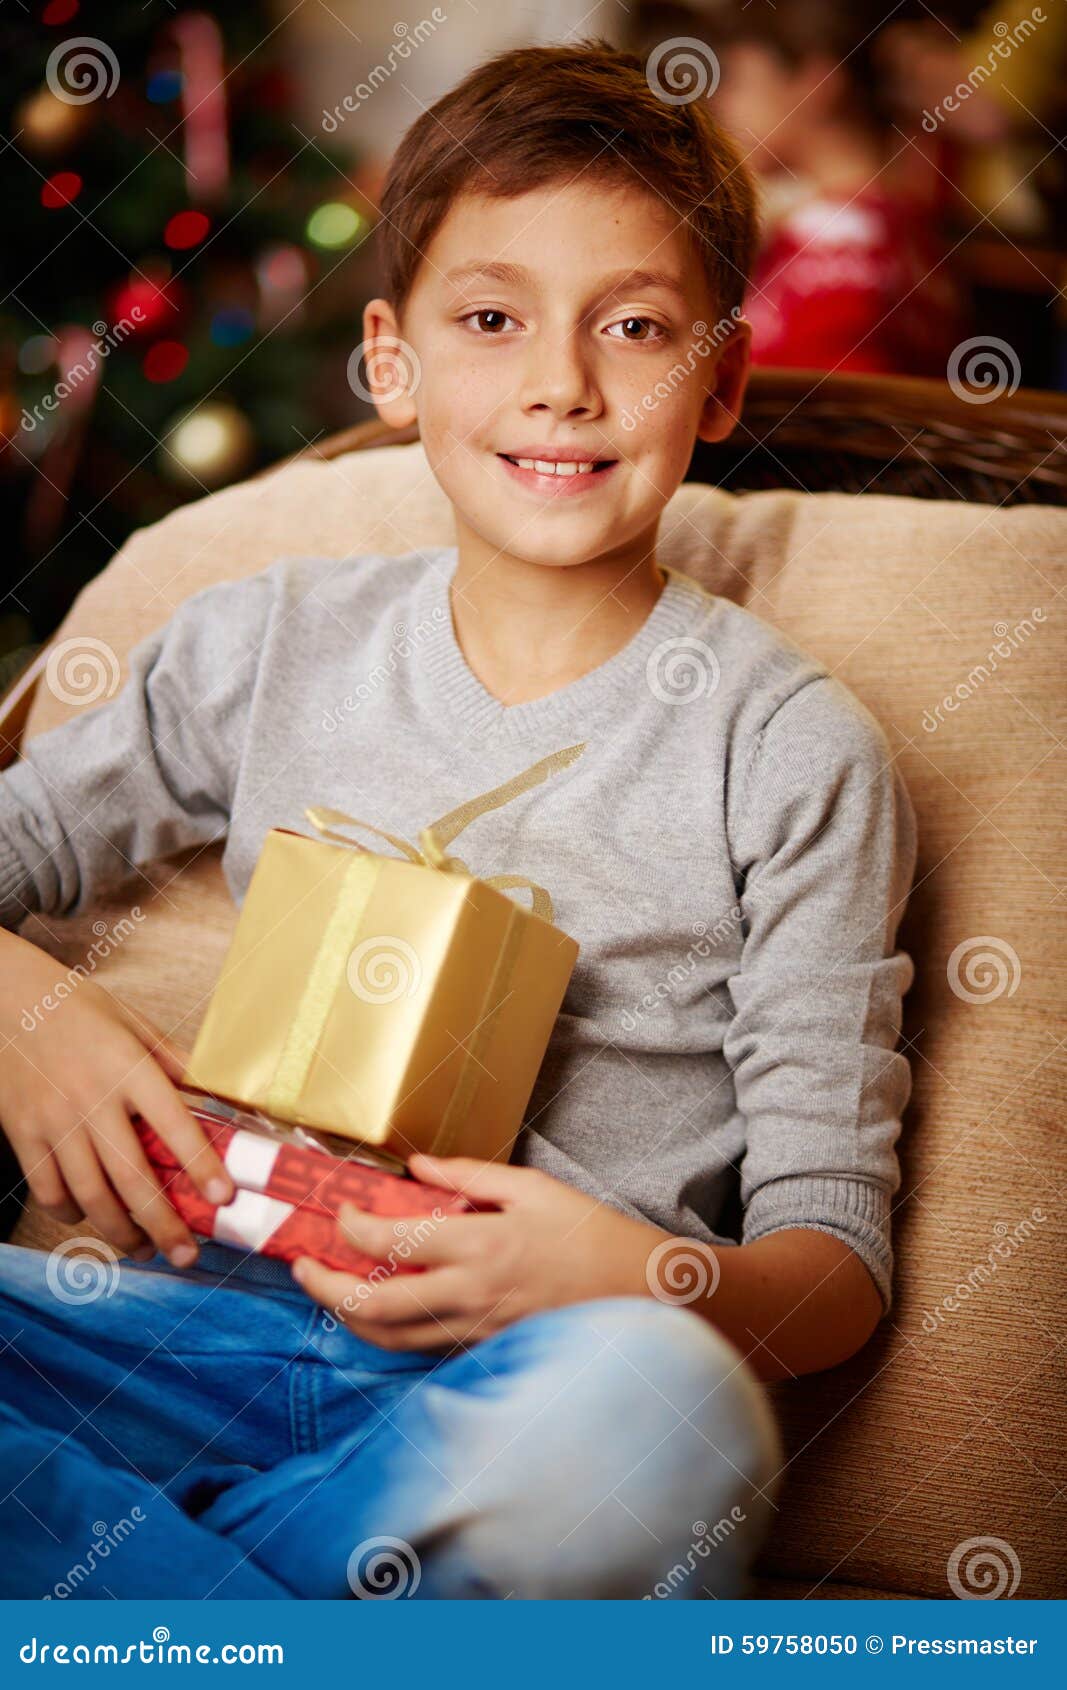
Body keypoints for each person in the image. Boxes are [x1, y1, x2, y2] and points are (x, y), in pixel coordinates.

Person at [0, 40, 917, 1600]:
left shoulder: (794, 753)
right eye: (490, 320)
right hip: (140, 1333)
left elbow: (831, 1273)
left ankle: (160, 1608)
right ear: (393, 359)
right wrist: (22, 1002)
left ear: (725, 378)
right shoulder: (269, 639)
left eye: (634, 327)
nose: (562, 379)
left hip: (498, 1391)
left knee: (666, 1409)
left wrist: (638, 1274)